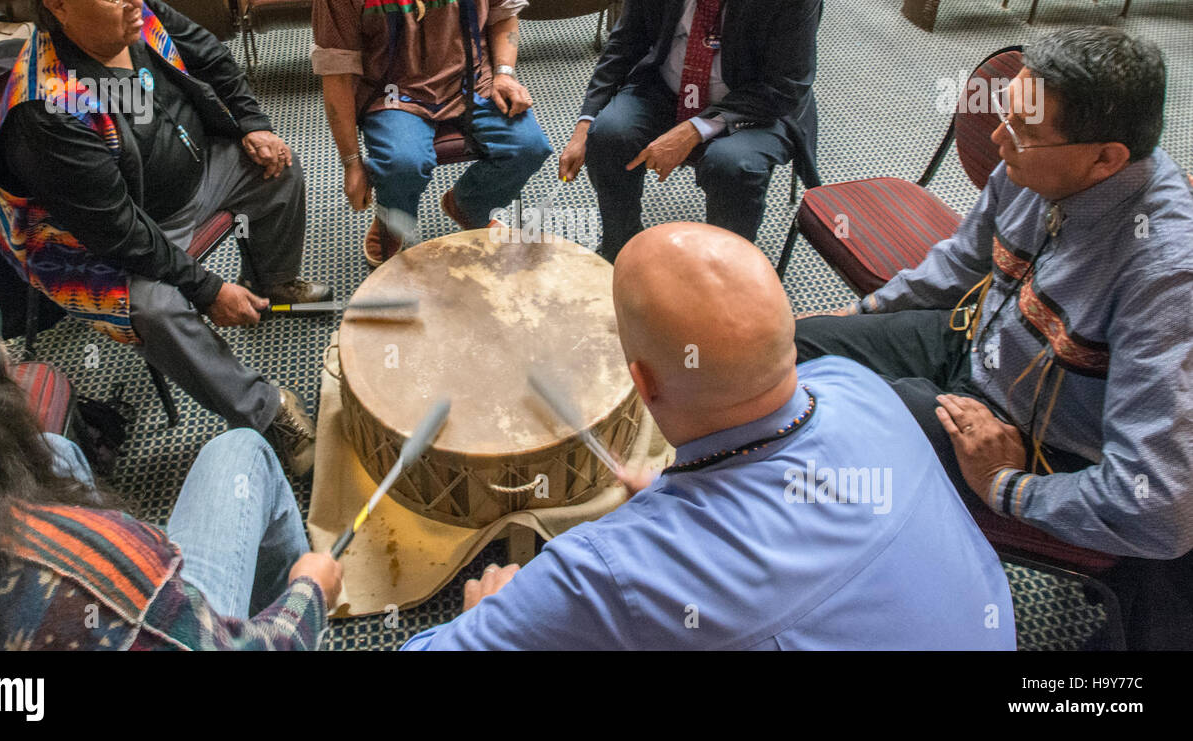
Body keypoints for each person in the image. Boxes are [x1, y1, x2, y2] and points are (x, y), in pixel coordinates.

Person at [402, 223, 1015, 650]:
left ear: (640, 381)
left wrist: (488, 616)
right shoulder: (864, 388)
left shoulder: (604, 573)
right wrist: (672, 501)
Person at [795, 26, 1193, 650]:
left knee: (839, 420)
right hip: (976, 341)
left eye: (1024, 133)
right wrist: (867, 310)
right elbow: (961, 260)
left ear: (1106, 158)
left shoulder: (1166, 276)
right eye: (1006, 118)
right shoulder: (1030, 162)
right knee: (793, 347)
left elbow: (1161, 509)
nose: (999, 140)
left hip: (1038, 441)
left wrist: (1009, 487)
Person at [0, 0, 329, 476]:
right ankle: (267, 412)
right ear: (59, 6)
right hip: (105, 236)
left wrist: (254, 125)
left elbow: (212, 57)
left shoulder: (135, 8)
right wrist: (207, 287)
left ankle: (272, 280)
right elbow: (117, 233)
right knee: (159, 309)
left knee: (277, 166)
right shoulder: (48, 109)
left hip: (196, 171)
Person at [0, 240, 342, 650]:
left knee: (59, 451)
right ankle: (274, 609)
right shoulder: (74, 576)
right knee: (242, 453)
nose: (9, 352)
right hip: (155, 622)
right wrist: (308, 595)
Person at [559, 0, 823, 263]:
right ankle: (622, 250)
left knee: (730, 166)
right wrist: (585, 121)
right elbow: (626, 41)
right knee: (608, 136)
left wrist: (695, 129)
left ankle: (724, 271)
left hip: (753, 102)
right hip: (668, 85)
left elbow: (786, 87)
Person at [313, 0, 551, 267]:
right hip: (395, 93)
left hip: (472, 80)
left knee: (530, 147)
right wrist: (350, 161)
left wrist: (504, 74)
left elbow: (504, 13)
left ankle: (468, 205)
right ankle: (393, 220)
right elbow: (336, 72)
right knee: (403, 165)